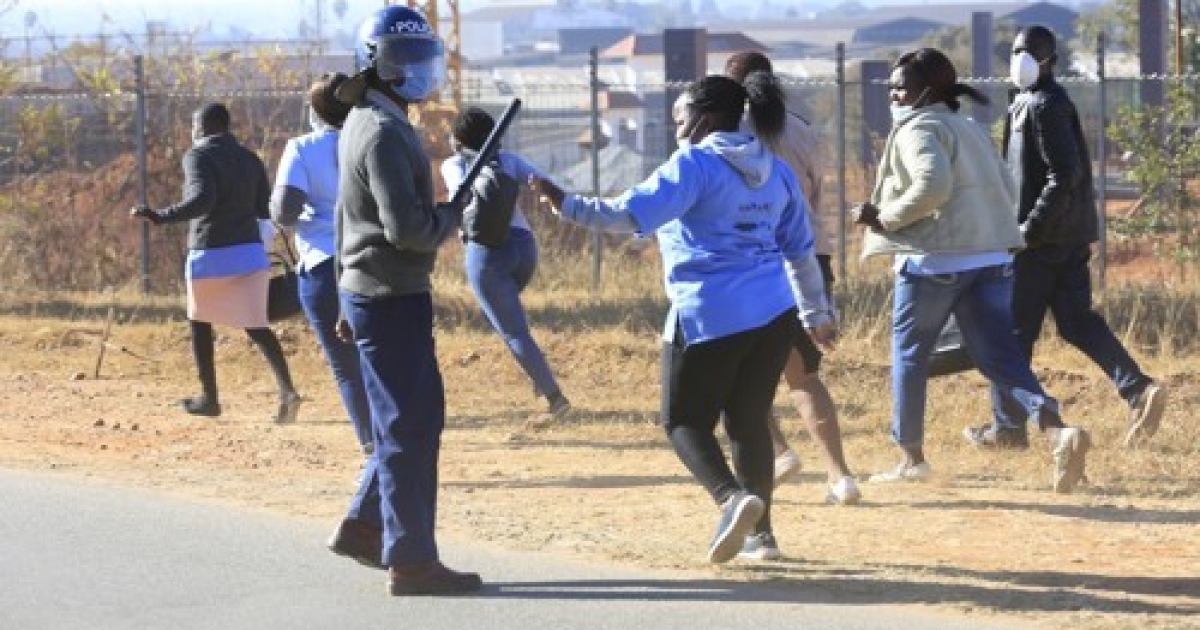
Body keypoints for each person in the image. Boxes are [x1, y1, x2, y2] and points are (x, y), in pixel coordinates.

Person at [531, 74, 837, 563]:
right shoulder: (776, 170)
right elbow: (800, 249)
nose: (676, 129)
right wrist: (817, 312)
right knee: (749, 422)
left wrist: (565, 203)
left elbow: (629, 214)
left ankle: (730, 499)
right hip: (774, 314)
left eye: (680, 119)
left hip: (710, 311)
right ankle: (762, 538)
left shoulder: (695, 165)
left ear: (705, 119)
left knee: (682, 421)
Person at [851, 47, 1091, 493]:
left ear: (926, 91)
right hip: (990, 259)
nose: (894, 95)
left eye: (901, 88)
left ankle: (911, 457)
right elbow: (1004, 187)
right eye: (892, 88)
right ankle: (1058, 430)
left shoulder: (919, 128)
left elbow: (932, 185)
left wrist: (883, 218)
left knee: (909, 356)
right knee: (1000, 357)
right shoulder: (969, 128)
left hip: (933, 262)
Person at [321, 6, 482, 596]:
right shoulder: (385, 132)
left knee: (408, 420)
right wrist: (449, 216)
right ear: (375, 65)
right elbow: (406, 230)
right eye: (402, 59)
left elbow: (346, 220)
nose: (416, 70)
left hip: (371, 293)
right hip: (390, 297)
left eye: (420, 58)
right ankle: (412, 561)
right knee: (409, 429)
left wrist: (344, 296)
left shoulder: (364, 121)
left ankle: (366, 526)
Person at [963, 25, 1167, 450]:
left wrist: (1029, 229)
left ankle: (1008, 430)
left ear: (1050, 59)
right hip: (1061, 237)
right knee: (1076, 322)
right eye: (1015, 51)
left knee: (1010, 333)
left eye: (1029, 51)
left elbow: (1064, 174)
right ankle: (1138, 389)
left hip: (1038, 243)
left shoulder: (1046, 104)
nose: (1020, 58)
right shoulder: (1030, 101)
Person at [724, 50, 859, 507]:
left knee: (739, 374)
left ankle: (781, 453)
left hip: (752, 260)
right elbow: (817, 192)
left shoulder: (728, 133)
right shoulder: (800, 127)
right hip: (809, 253)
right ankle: (840, 476)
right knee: (805, 376)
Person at [130, 103, 301, 425]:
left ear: (204, 127)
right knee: (256, 323)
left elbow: (202, 200)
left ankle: (209, 398)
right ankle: (287, 391)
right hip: (250, 253)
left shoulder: (198, 155)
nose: (192, 131)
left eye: (194, 125)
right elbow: (264, 209)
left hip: (211, 253)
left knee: (200, 320)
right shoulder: (250, 159)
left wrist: (160, 216)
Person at [440, 107, 570, 422]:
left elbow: (459, 195)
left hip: (486, 253)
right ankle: (538, 373)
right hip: (524, 248)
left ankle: (555, 397)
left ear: (458, 140)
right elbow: (545, 183)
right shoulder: (508, 160)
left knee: (513, 331)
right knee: (510, 322)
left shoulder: (454, 164)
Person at [270, 73, 373, 454]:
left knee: (347, 365)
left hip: (324, 264)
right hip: (376, 261)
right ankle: (401, 441)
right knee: (381, 357)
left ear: (316, 111)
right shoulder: (373, 139)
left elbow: (285, 211)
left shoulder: (303, 148)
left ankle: (372, 447)